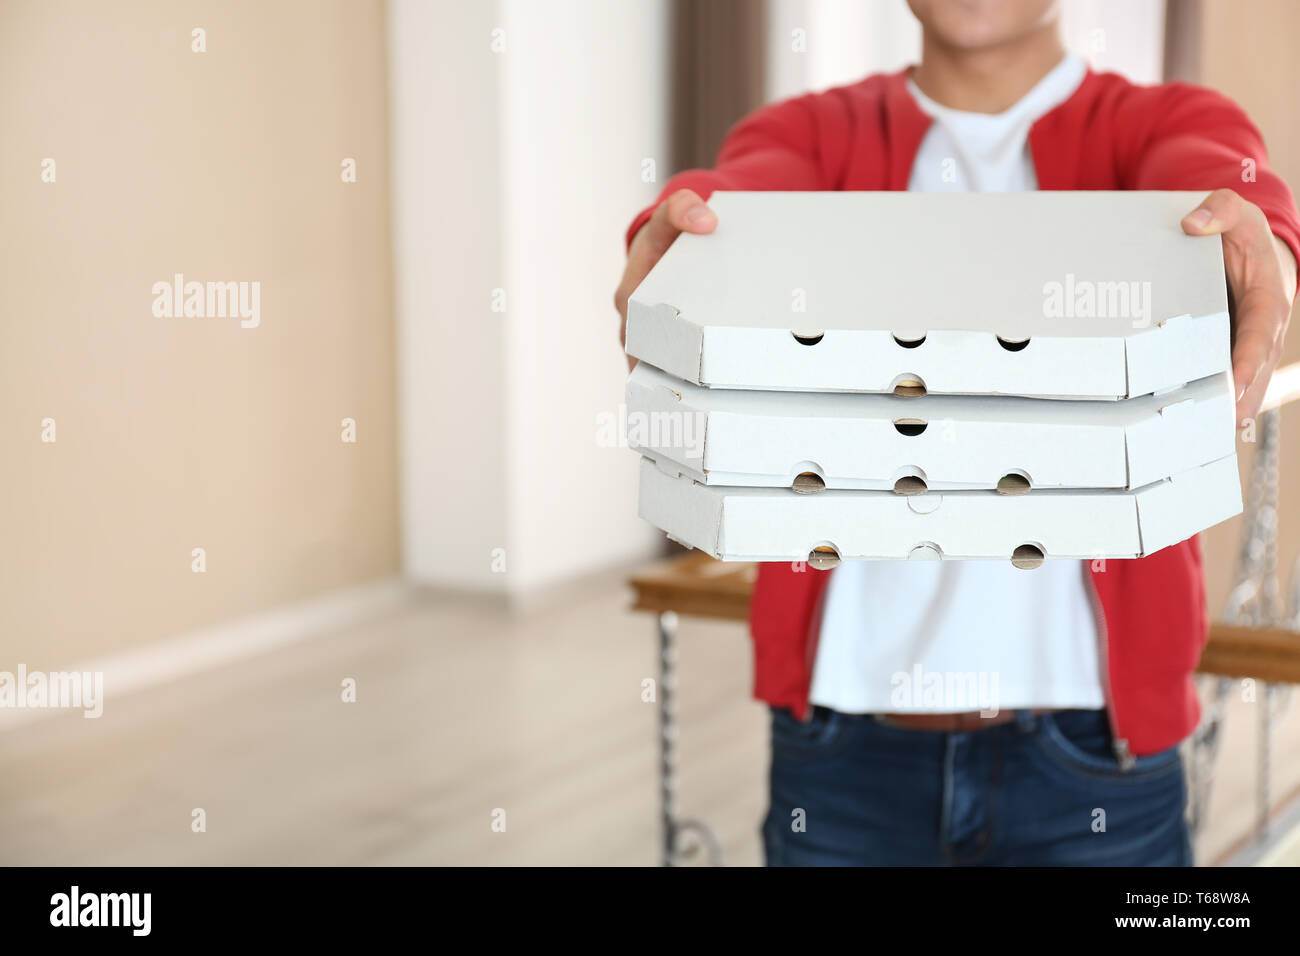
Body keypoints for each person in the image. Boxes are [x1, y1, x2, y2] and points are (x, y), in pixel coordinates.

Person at [615, 0, 1300, 865]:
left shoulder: (1156, 122)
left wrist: (1267, 251)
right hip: (842, 757)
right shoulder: (817, 132)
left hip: (1098, 763)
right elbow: (741, 196)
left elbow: (1223, 187)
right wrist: (675, 234)